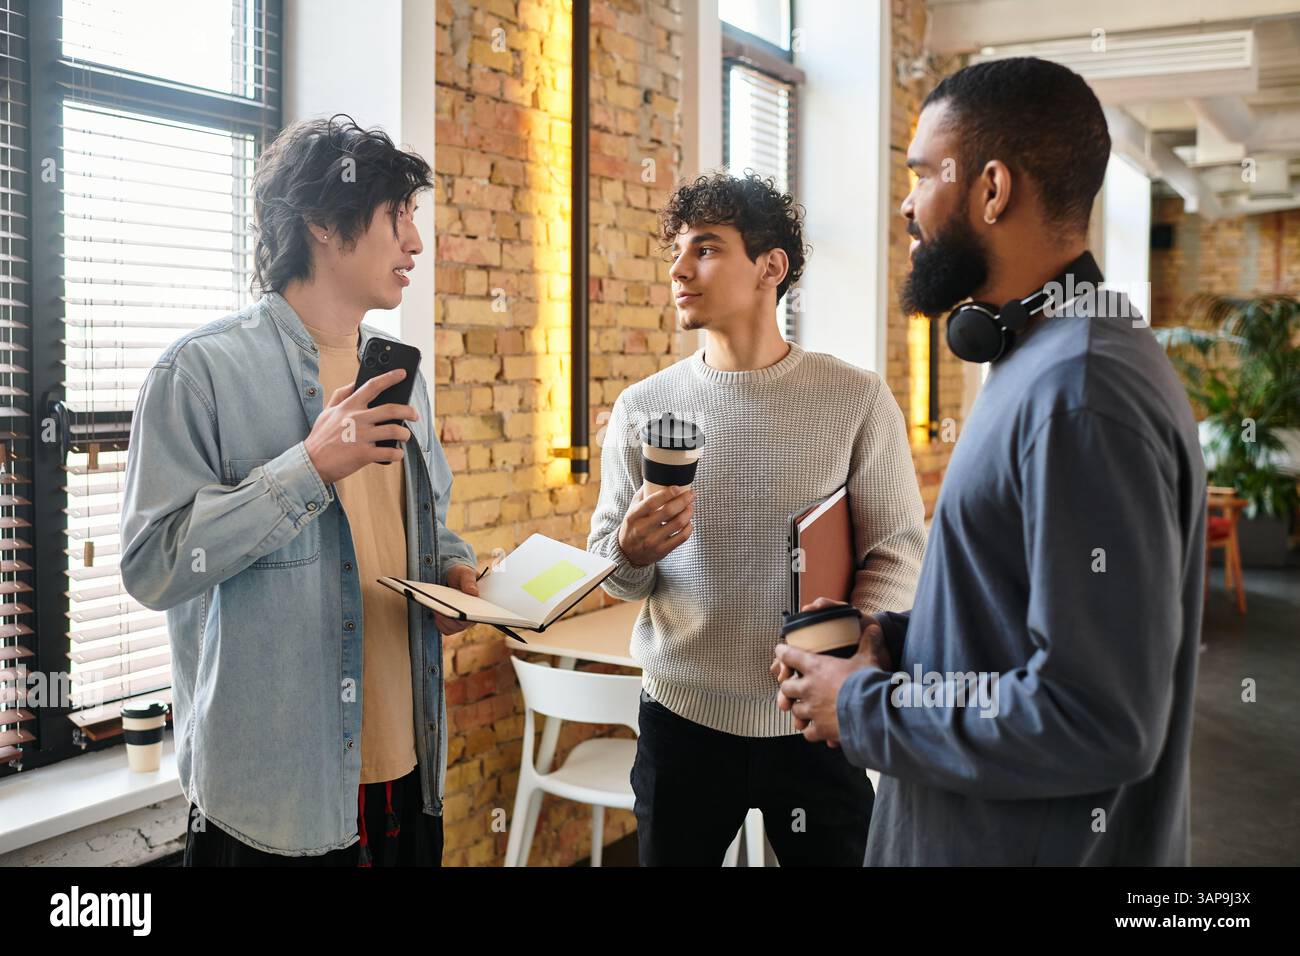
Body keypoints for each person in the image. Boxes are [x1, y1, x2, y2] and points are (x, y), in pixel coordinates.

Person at [774, 57, 1207, 865]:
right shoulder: (1039, 357)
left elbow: (1099, 717)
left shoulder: (1081, 394)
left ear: (993, 188)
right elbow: (1017, 615)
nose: (905, 207)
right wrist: (892, 644)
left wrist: (864, 708)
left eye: (919, 177)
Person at [120, 116, 480, 866]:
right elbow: (154, 566)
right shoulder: (199, 373)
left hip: (406, 776)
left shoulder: (398, 376)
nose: (416, 243)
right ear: (321, 219)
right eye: (397, 218)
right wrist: (308, 468)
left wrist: (456, 573)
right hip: (272, 807)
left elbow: (430, 525)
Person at [588, 171, 925, 866]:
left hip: (812, 723)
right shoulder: (643, 406)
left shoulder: (855, 398)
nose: (680, 269)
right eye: (677, 251)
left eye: (706, 249)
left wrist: (854, 659)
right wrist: (629, 550)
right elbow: (615, 577)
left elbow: (896, 551)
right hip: (679, 722)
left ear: (771, 266)